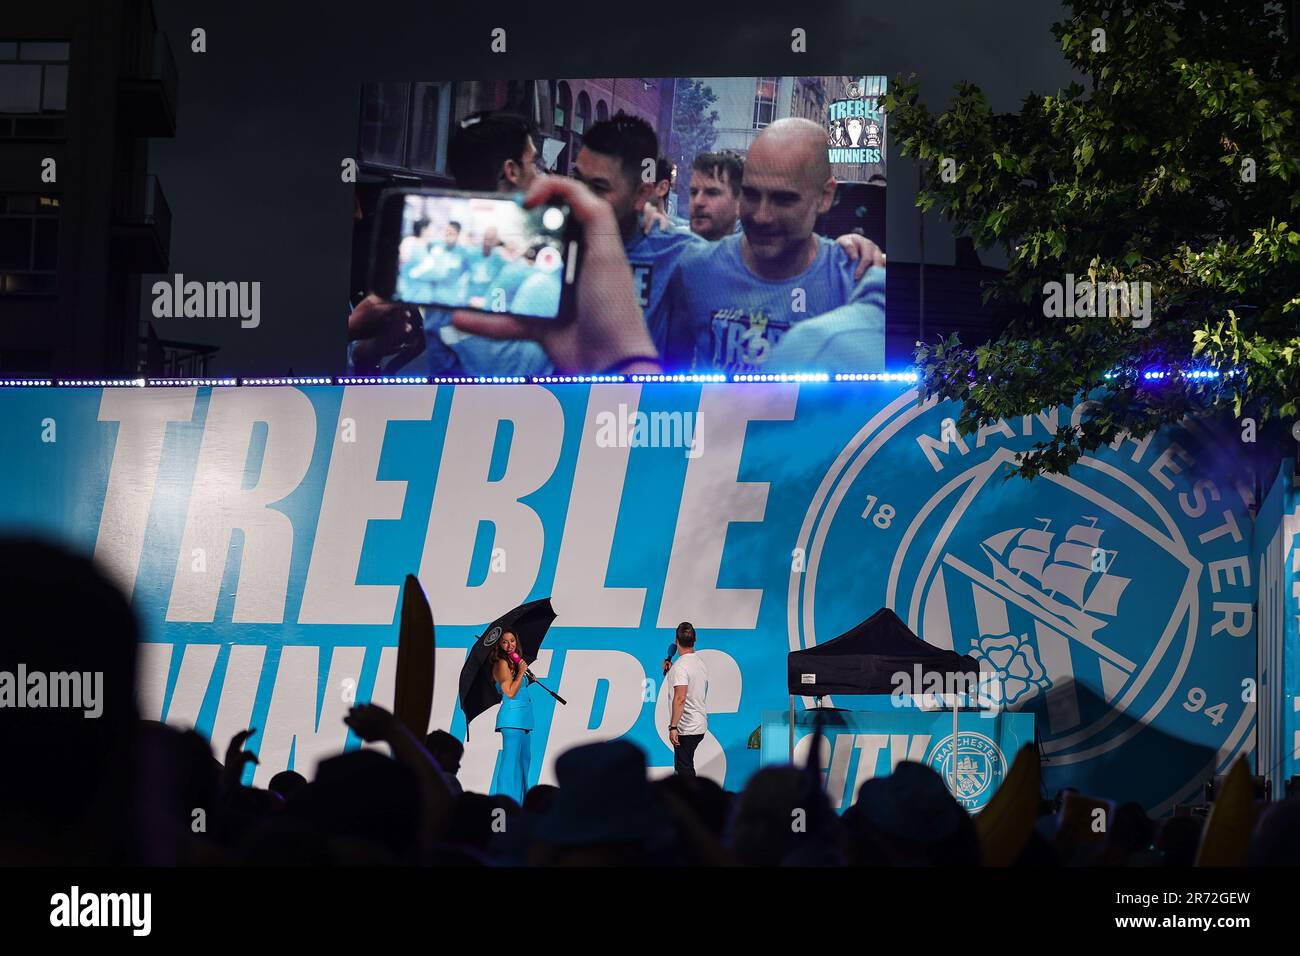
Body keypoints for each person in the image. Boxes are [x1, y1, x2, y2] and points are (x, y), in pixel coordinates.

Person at [661, 118, 885, 373]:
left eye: (783, 199)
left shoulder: (854, 279)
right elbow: (670, 387)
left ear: (825, 197)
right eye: (751, 195)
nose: (761, 216)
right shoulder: (694, 268)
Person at [571, 113, 706, 351]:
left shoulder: (675, 252)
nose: (580, 198)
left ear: (642, 194)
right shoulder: (552, 236)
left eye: (598, 188)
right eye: (577, 180)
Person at [491, 629, 535, 804]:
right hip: (512, 720)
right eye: (504, 642)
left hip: (524, 721)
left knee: (524, 764)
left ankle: (521, 807)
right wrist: (520, 672)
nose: (510, 645)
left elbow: (518, 689)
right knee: (510, 767)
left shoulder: (513, 664)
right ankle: (504, 808)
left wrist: (527, 678)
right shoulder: (501, 663)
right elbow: (508, 692)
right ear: (499, 645)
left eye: (512, 641)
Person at [663, 622, 708, 779]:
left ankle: (692, 802)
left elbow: (680, 697)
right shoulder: (698, 662)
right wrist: (671, 670)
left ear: (676, 641)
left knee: (684, 771)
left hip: (687, 728)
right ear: (694, 640)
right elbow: (689, 681)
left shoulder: (680, 667)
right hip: (698, 723)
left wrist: (673, 727)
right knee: (684, 767)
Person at [687, 151, 744, 241]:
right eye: (694, 192)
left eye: (712, 193)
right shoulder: (670, 249)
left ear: (739, 204)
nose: (698, 202)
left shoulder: (751, 253)